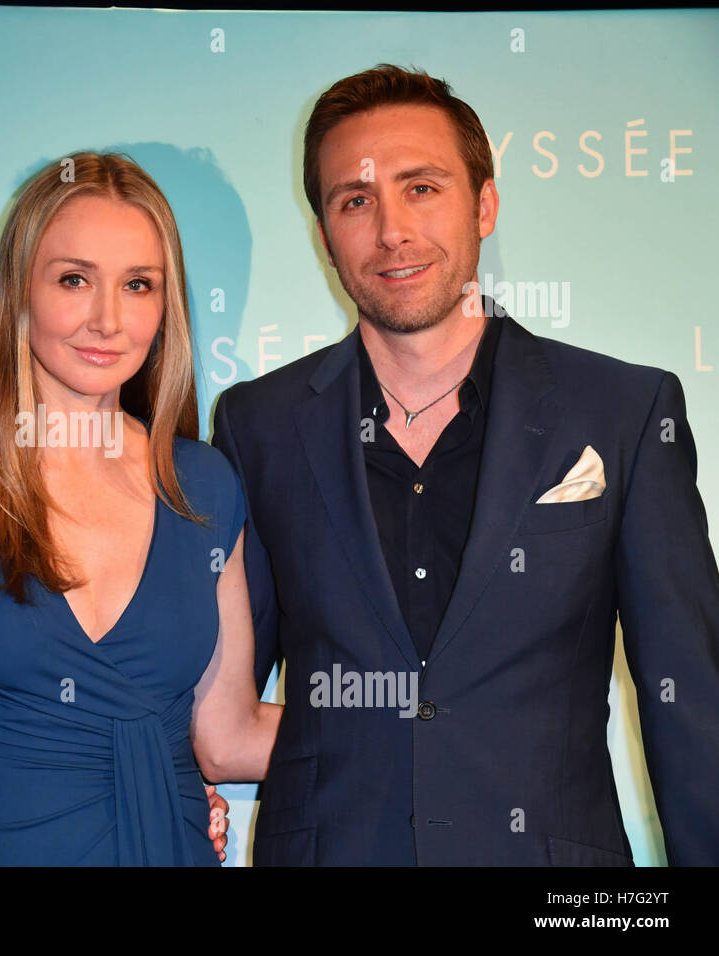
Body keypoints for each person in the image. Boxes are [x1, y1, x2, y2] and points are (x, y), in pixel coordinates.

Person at [212, 64, 719, 865]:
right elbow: (222, 699)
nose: (391, 232)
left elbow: (692, 708)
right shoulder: (258, 425)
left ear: (483, 204)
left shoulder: (623, 412)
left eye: (422, 188)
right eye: (355, 200)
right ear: (323, 236)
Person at [0, 152, 282, 866]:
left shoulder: (203, 487)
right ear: (19, 292)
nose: (107, 319)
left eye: (139, 285)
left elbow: (228, 736)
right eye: (75, 279)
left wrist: (418, 724)